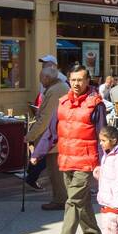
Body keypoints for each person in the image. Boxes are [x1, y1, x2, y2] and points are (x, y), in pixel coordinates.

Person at [41, 66, 107, 234]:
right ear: (68, 80)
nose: (77, 83)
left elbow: (103, 135)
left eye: (81, 79)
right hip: (67, 158)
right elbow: (51, 131)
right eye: (73, 79)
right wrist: (37, 153)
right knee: (81, 200)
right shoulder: (63, 102)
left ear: (88, 81)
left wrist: (104, 162)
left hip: (86, 161)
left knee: (72, 202)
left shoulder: (96, 104)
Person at [24, 55, 69, 206]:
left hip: (54, 137)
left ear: (48, 78)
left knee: (55, 172)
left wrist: (30, 135)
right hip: (58, 134)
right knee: (56, 171)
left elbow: (46, 119)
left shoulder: (55, 89)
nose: (40, 81)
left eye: (41, 78)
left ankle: (60, 200)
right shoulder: (57, 87)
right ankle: (60, 198)